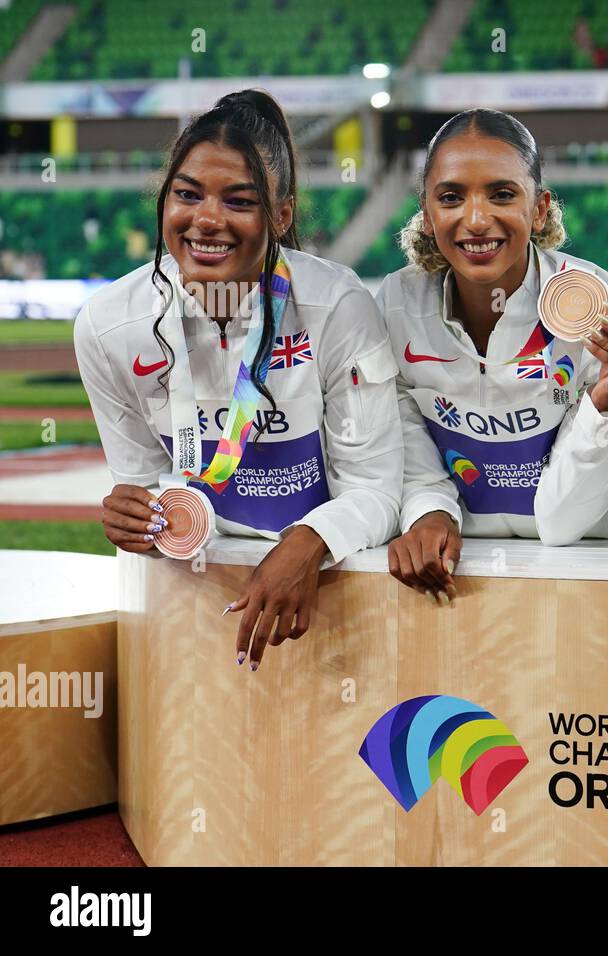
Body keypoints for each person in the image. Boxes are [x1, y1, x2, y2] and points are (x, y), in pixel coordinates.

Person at [74, 90, 402, 670]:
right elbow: (145, 483)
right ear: (164, 200)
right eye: (187, 194)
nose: (207, 220)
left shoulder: (337, 304)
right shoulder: (108, 326)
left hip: (333, 589)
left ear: (281, 215)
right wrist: (137, 515)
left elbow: (377, 489)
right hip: (195, 598)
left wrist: (307, 543)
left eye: (239, 201)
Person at [376, 108, 608, 601]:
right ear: (426, 211)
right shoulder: (396, 306)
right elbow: (407, 436)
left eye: (502, 194)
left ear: (539, 208)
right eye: (450, 197)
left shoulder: (603, 313)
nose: (477, 219)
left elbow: (568, 521)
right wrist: (428, 512)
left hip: (597, 564)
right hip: (463, 566)